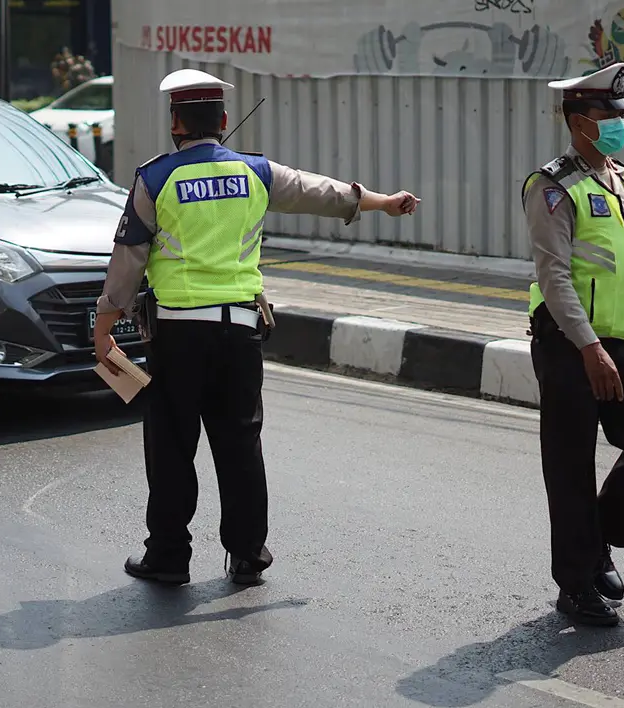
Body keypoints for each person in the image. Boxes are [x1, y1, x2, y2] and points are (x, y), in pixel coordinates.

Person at [94, 68, 420, 587]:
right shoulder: (257, 173)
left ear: (176, 122)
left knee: (172, 447)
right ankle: (247, 555)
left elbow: (128, 260)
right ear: (222, 120)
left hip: (177, 337)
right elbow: (325, 193)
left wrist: (104, 326)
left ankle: (169, 557)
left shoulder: (155, 177)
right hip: (240, 333)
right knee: (240, 445)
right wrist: (384, 202)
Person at [523, 62, 624, 626]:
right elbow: (553, 275)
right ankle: (576, 584)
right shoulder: (552, 186)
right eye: (608, 114)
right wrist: (589, 348)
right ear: (579, 121)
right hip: (570, 344)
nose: (619, 122)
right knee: (569, 464)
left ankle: (599, 542)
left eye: (621, 113)